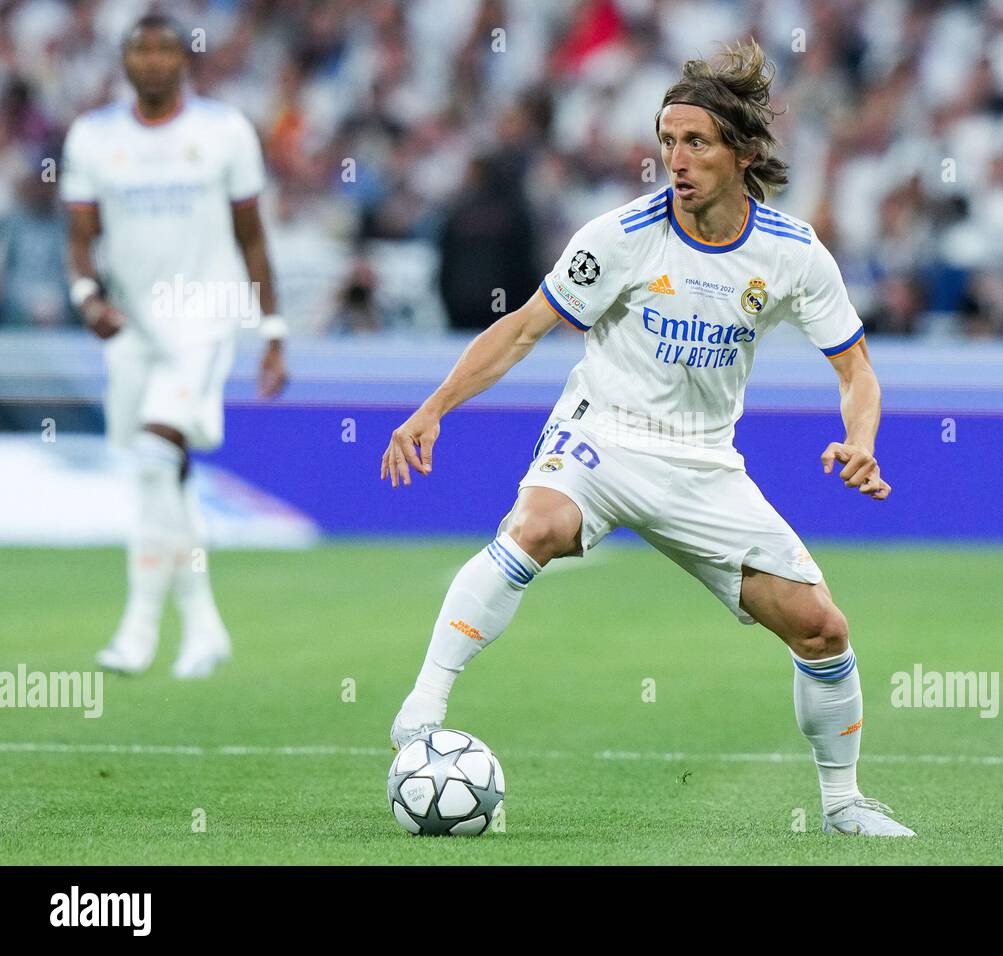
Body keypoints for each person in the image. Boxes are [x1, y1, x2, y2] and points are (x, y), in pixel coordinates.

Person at [381, 41, 912, 837]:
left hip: (704, 463)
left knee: (822, 628)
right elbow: (525, 328)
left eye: (695, 142)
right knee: (537, 528)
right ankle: (422, 709)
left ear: (743, 152)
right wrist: (434, 408)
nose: (676, 159)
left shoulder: (793, 254)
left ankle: (842, 804)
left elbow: (857, 372)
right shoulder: (622, 235)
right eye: (667, 141)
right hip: (605, 435)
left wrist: (861, 439)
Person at [61, 14, 288, 678]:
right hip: (133, 326)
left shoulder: (222, 132)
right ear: (125, 61)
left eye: (165, 49)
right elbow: (80, 235)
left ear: (185, 61)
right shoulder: (93, 138)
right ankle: (205, 625)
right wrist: (86, 297)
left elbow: (252, 236)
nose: (154, 61)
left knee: (159, 455)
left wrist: (272, 332)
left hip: (204, 315)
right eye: (141, 49)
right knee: (163, 478)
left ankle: (137, 632)